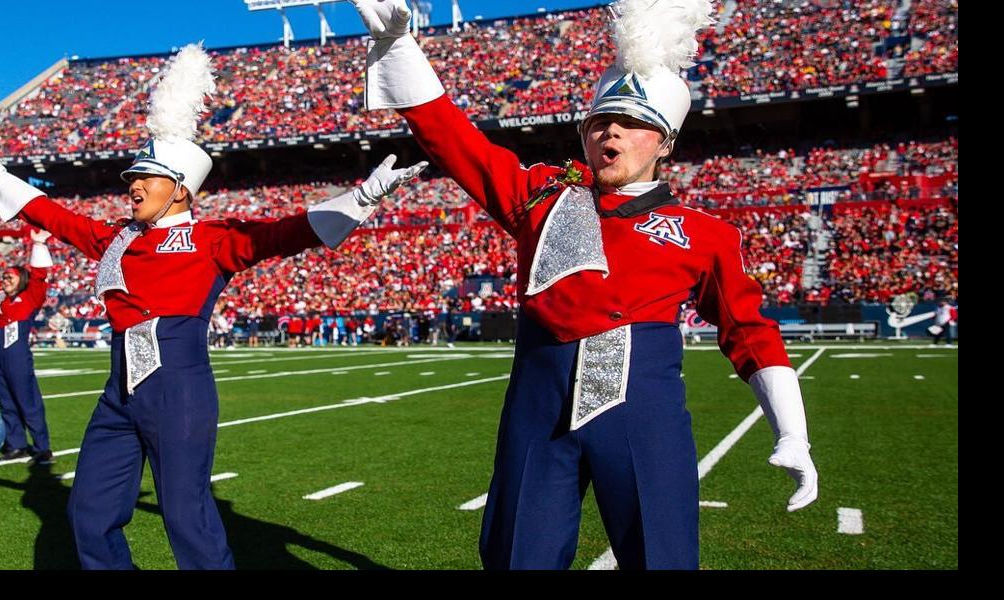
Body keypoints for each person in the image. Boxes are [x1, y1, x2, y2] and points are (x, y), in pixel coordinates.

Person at [348, 0, 818, 569]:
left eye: (634, 124)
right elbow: (458, 143)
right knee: (517, 555)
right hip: (537, 406)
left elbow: (749, 331)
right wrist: (400, 47)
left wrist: (792, 431)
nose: (611, 132)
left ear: (665, 142)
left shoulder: (706, 233)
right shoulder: (543, 195)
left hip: (644, 409)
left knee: (661, 555)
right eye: (600, 122)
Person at [0, 43, 426, 570]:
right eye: (132, 177)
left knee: (186, 518)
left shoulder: (210, 238)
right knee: (89, 512)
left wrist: (360, 198)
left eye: (145, 178)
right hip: (118, 391)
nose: (132, 185)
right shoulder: (114, 236)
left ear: (179, 189)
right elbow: (57, 217)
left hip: (178, 386)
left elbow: (280, 235)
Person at [0, 229, 55, 463]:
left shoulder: (30, 297)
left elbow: (39, 275)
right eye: (4, 276)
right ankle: (16, 444)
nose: (4, 279)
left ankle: (42, 447)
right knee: (6, 401)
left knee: (28, 401)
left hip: (17, 354)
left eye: (10, 277)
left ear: (22, 280)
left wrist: (38, 244)